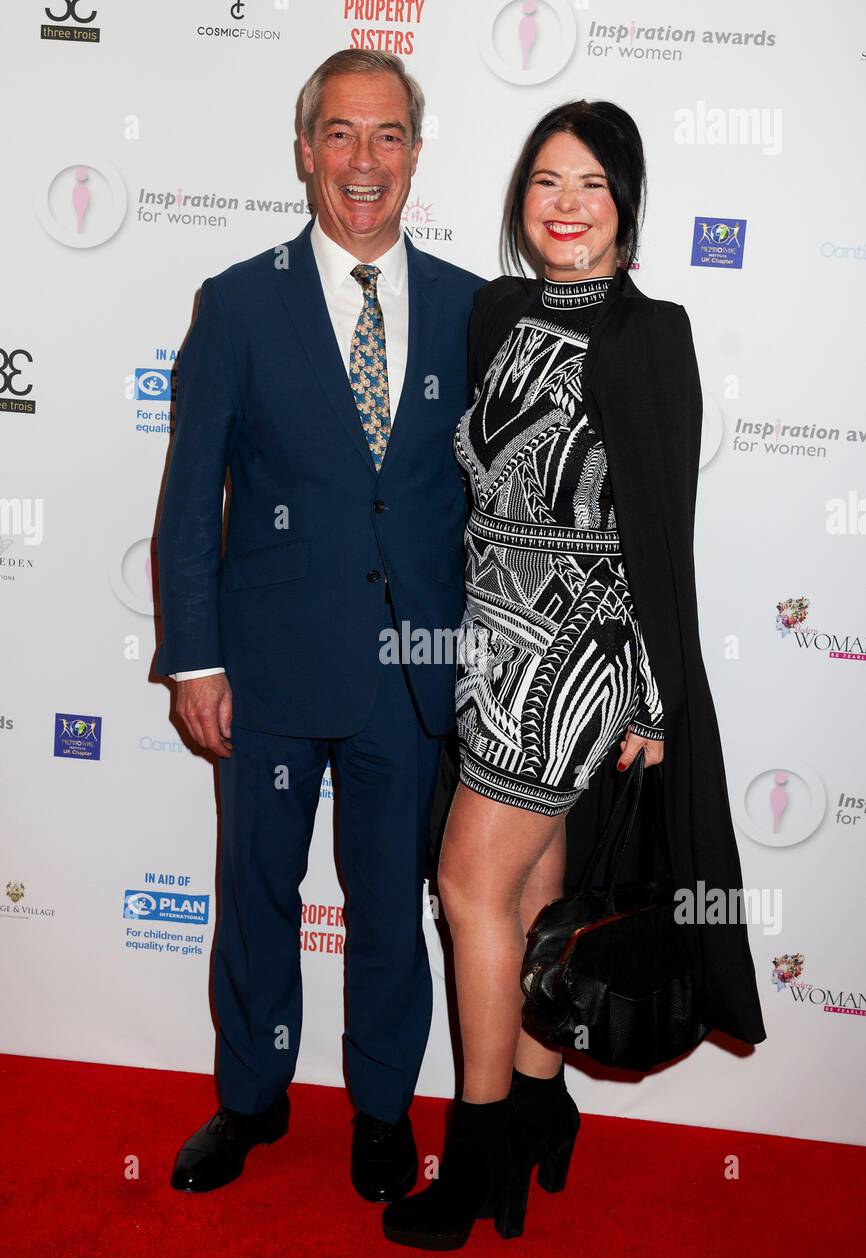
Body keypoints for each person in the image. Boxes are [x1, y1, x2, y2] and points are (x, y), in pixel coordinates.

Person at [382, 100, 766, 1251]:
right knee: (534, 891)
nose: (563, 205)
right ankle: (544, 1105)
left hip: (577, 645)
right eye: (545, 181)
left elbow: (663, 523)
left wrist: (650, 692)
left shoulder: (652, 334)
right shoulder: (494, 310)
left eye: (590, 185)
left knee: (467, 889)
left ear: (626, 206)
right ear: (519, 197)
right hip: (488, 630)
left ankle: (483, 1149)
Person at [154, 49, 484, 1199]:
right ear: (303, 151)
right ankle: (249, 1099)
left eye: (386, 135)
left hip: (413, 670)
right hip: (268, 666)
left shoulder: (467, 308)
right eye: (338, 135)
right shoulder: (237, 302)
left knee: (392, 901)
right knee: (256, 891)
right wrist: (194, 655)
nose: (362, 161)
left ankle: (384, 1107)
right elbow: (193, 498)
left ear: (413, 152)